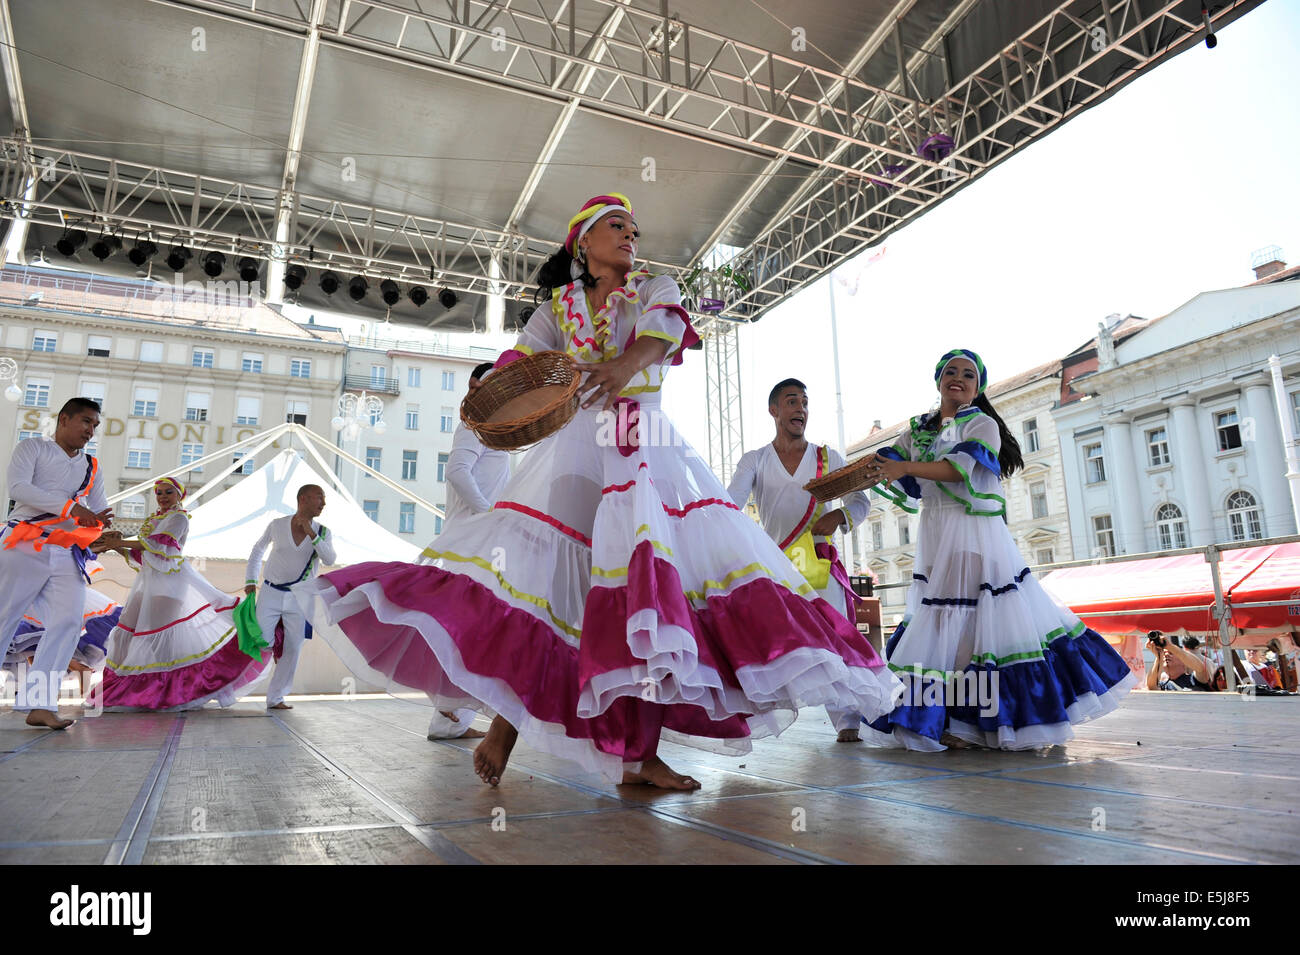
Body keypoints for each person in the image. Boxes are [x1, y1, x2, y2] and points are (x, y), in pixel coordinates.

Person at [300, 192, 900, 789]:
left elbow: (661, 339)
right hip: (577, 453)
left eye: (634, 228)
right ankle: (509, 725)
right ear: (582, 242)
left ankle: (639, 757)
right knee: (544, 590)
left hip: (645, 448)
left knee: (646, 604)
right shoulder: (559, 307)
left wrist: (620, 368)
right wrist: (496, 389)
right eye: (617, 226)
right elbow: (522, 360)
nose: (630, 235)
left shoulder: (655, 287)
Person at [862, 349, 1135, 750]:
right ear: (937, 380)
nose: (958, 378)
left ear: (977, 387)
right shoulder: (918, 430)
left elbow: (957, 470)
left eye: (968, 375)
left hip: (971, 531)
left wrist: (903, 468)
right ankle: (963, 718)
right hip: (936, 533)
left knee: (962, 620)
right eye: (950, 372)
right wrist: (874, 468)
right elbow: (892, 462)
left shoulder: (982, 424)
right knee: (945, 620)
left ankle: (963, 722)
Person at [728, 377, 889, 742]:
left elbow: (861, 499)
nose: (799, 408)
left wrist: (842, 518)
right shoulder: (755, 460)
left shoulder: (827, 458)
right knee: (767, 641)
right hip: (777, 566)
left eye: (804, 401)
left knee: (836, 637)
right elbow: (730, 504)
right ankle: (749, 716)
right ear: (774, 410)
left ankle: (847, 718)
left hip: (818, 564)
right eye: (790, 401)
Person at [87, 478, 265, 710]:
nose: (162, 496)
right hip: (148, 582)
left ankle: (173, 692)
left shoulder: (179, 518)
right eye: (159, 493)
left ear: (179, 495)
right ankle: (117, 690)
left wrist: (120, 541)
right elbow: (145, 555)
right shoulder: (155, 519)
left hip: (170, 583)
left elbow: (159, 546)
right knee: (123, 634)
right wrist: (115, 546)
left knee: (158, 639)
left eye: (168, 492)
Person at [0, 397, 112, 728]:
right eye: (86, 422)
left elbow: (99, 507)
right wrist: (69, 508)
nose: (91, 430)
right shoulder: (32, 448)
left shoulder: (91, 466)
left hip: (67, 550)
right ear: (64, 419)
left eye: (95, 425)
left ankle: (39, 705)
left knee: (67, 622)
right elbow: (18, 488)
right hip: (23, 543)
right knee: (5, 617)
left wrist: (102, 527)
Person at [426, 360, 510, 742]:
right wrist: (488, 514)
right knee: (467, 628)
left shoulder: (493, 430)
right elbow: (457, 471)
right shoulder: (473, 425)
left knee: (473, 628)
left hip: (479, 541)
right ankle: (447, 715)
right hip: (469, 541)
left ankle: (449, 718)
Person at [246, 485, 335, 710]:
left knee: (294, 648)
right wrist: (250, 580)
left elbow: (330, 559)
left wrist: (312, 534)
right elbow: (258, 550)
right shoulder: (277, 525)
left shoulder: (323, 532)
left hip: (301, 598)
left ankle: (276, 698)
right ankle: (276, 642)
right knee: (262, 641)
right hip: (271, 592)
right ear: (303, 499)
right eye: (319, 498)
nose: (323, 503)